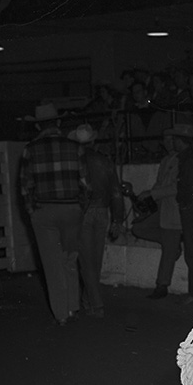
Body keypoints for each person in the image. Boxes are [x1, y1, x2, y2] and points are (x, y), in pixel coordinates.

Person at [19, 103, 89, 326]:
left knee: (52, 264)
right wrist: (80, 208)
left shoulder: (30, 149)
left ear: (38, 125)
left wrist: (32, 211)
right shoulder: (75, 147)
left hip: (45, 210)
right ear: (58, 123)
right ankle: (73, 307)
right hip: (71, 209)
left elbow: (25, 186)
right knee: (70, 258)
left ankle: (61, 314)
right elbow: (86, 184)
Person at [139, 124, 193, 303]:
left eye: (172, 139)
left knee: (184, 251)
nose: (168, 143)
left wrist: (153, 194)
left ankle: (164, 285)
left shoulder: (186, 161)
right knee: (140, 228)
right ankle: (174, 248)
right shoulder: (172, 160)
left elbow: (181, 188)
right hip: (169, 209)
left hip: (179, 210)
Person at [69, 123, 125, 319]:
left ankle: (96, 303)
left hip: (83, 211)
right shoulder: (104, 161)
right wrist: (118, 219)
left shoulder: (74, 162)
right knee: (94, 259)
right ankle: (89, 301)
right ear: (93, 140)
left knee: (85, 261)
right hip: (102, 211)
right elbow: (116, 193)